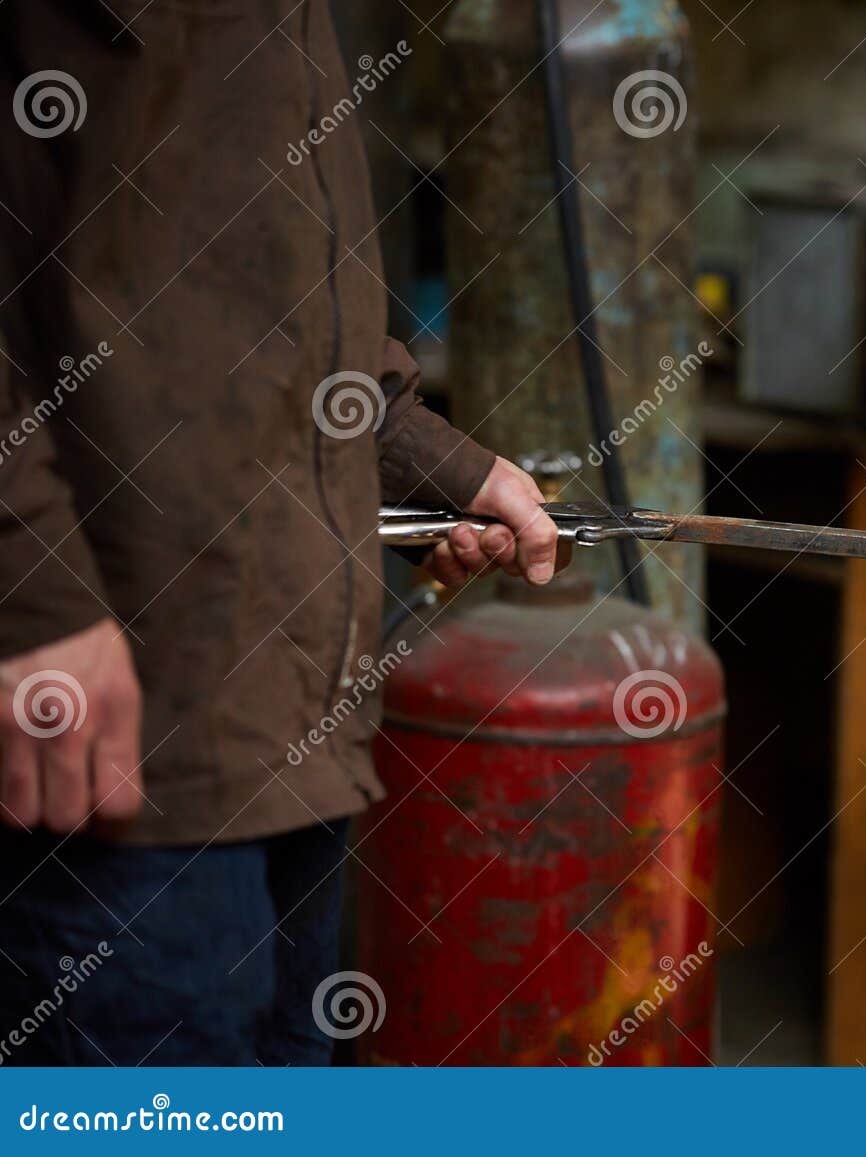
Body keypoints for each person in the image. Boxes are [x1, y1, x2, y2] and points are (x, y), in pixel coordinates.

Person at [0, 2, 550, 1064]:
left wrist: (428, 463)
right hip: (116, 746)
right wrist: (30, 598)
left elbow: (265, 285)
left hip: (293, 714)